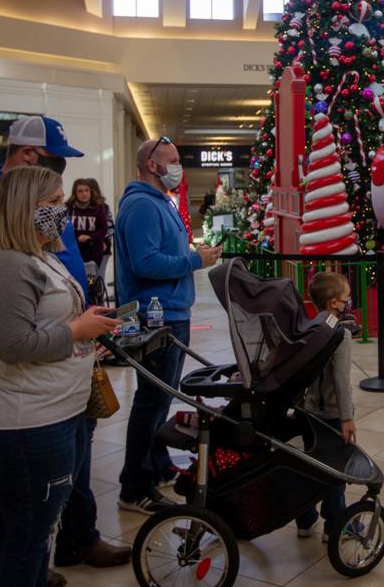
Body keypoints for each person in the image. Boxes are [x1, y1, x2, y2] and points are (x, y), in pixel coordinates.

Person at [0, 116, 131, 573]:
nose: (63, 204)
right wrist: (71, 330)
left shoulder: (38, 229)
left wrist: (85, 326)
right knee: (28, 526)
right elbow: (4, 320)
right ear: (30, 156)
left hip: (60, 376)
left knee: (68, 478)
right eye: (54, 197)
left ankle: (76, 539)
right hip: (25, 391)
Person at [116, 137, 222, 513]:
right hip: (155, 315)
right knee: (151, 400)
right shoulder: (143, 205)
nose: (178, 166)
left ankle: (157, 465)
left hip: (171, 312)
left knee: (159, 397)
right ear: (151, 165)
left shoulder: (160, 201)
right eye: (173, 160)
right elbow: (146, 263)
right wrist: (194, 261)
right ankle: (135, 486)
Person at [295, 272, 357, 540]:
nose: (348, 302)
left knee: (310, 465)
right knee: (335, 471)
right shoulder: (340, 334)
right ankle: (335, 525)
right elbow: (342, 380)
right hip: (331, 414)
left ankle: (305, 520)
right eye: (346, 298)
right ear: (334, 302)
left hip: (309, 412)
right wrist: (347, 418)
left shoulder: (310, 327)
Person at [67, 178, 110, 266]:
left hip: (93, 252)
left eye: (87, 190)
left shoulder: (98, 208)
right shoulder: (68, 207)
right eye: (80, 191)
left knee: (91, 278)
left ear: (91, 191)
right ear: (75, 193)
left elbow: (104, 229)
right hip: (73, 250)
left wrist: (89, 237)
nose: (84, 194)